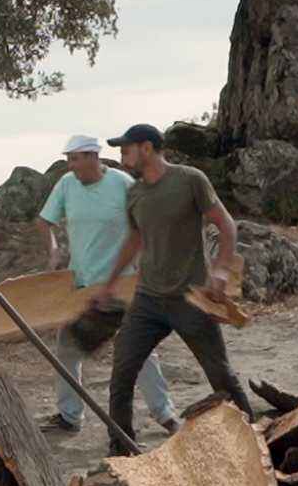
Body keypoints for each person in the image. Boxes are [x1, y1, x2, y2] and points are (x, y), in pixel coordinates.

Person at [90, 123, 255, 456]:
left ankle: (252, 439)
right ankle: (121, 450)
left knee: (220, 374)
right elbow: (135, 239)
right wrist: (109, 283)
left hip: (190, 298)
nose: (122, 156)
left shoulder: (189, 180)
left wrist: (221, 270)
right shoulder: (134, 193)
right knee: (121, 373)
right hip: (148, 300)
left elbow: (226, 225)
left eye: (126, 149)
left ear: (147, 148)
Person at [35, 135, 180, 435]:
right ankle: (69, 416)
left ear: (92, 157)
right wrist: (53, 249)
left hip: (121, 284)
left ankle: (164, 413)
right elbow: (44, 221)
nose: (70, 165)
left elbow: (145, 222)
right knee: (67, 349)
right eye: (68, 160)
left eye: (75, 159)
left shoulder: (122, 183)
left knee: (140, 350)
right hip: (80, 284)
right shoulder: (66, 185)